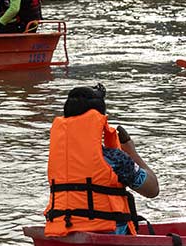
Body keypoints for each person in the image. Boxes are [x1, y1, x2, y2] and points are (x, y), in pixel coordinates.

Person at [44, 84, 159, 237]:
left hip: (63, 234)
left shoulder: (57, 160)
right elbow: (152, 190)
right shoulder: (114, 159)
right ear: (100, 120)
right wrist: (131, 152)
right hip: (109, 237)